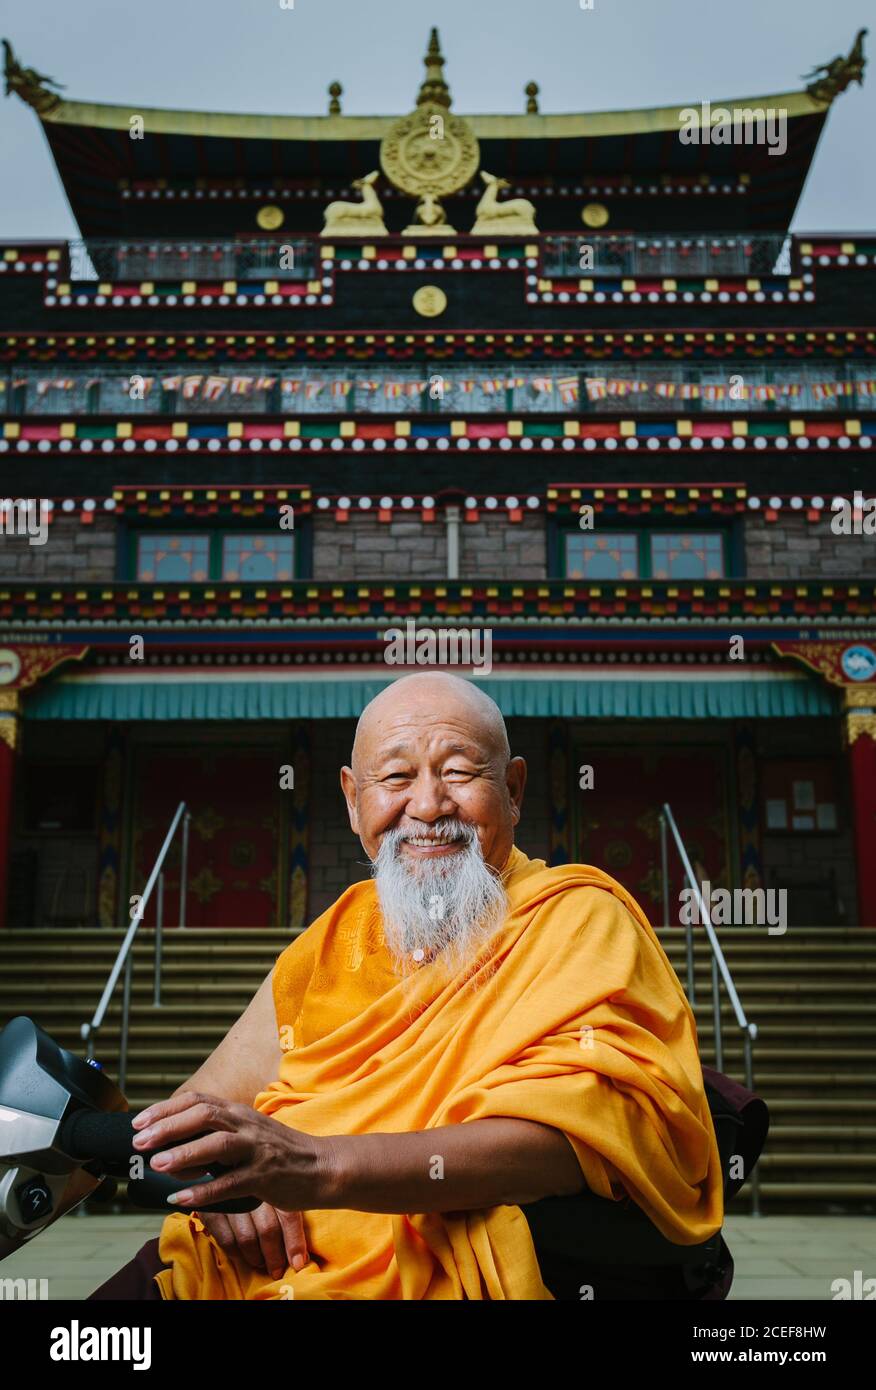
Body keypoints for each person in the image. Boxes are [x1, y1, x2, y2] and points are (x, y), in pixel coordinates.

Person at [90, 672, 723, 1301]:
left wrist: (317, 1166)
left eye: (459, 772)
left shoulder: (576, 918)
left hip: (435, 1269)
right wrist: (216, 1180)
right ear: (350, 798)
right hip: (242, 1265)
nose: (427, 806)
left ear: (513, 789)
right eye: (395, 778)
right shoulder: (335, 935)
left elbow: (581, 1137)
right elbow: (190, 1109)